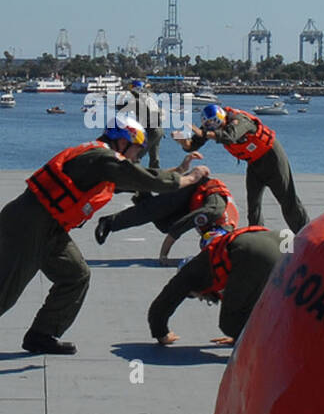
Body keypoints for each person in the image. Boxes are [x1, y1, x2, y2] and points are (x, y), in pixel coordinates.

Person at [0, 115, 211, 365]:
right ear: (122, 141)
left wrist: (178, 171)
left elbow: (137, 177)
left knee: (76, 275)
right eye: (137, 150)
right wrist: (190, 178)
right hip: (28, 225)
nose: (138, 157)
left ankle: (41, 335)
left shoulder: (104, 162)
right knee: (1, 297)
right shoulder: (102, 159)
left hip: (49, 228)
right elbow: (143, 178)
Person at [180, 104, 309, 232]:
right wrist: (182, 141)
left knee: (287, 200)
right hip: (254, 163)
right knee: (253, 204)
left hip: (272, 158)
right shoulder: (210, 125)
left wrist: (204, 133)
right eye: (209, 126)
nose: (213, 129)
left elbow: (229, 136)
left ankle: (305, 233)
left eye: (216, 126)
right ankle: (257, 236)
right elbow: (193, 145)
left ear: (221, 119)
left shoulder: (239, 119)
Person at [146, 225, 282, 346]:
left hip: (253, 253)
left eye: (194, 296)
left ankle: (270, 346)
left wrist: (161, 333)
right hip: (281, 241)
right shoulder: (219, 259)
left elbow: (164, 302)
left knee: (228, 322)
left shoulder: (190, 272)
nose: (201, 298)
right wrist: (238, 338)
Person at [93, 173, 239, 264]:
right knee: (154, 210)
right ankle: (109, 222)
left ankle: (143, 195)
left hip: (195, 202)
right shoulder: (210, 213)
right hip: (193, 188)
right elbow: (177, 230)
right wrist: (164, 256)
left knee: (164, 225)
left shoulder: (227, 230)